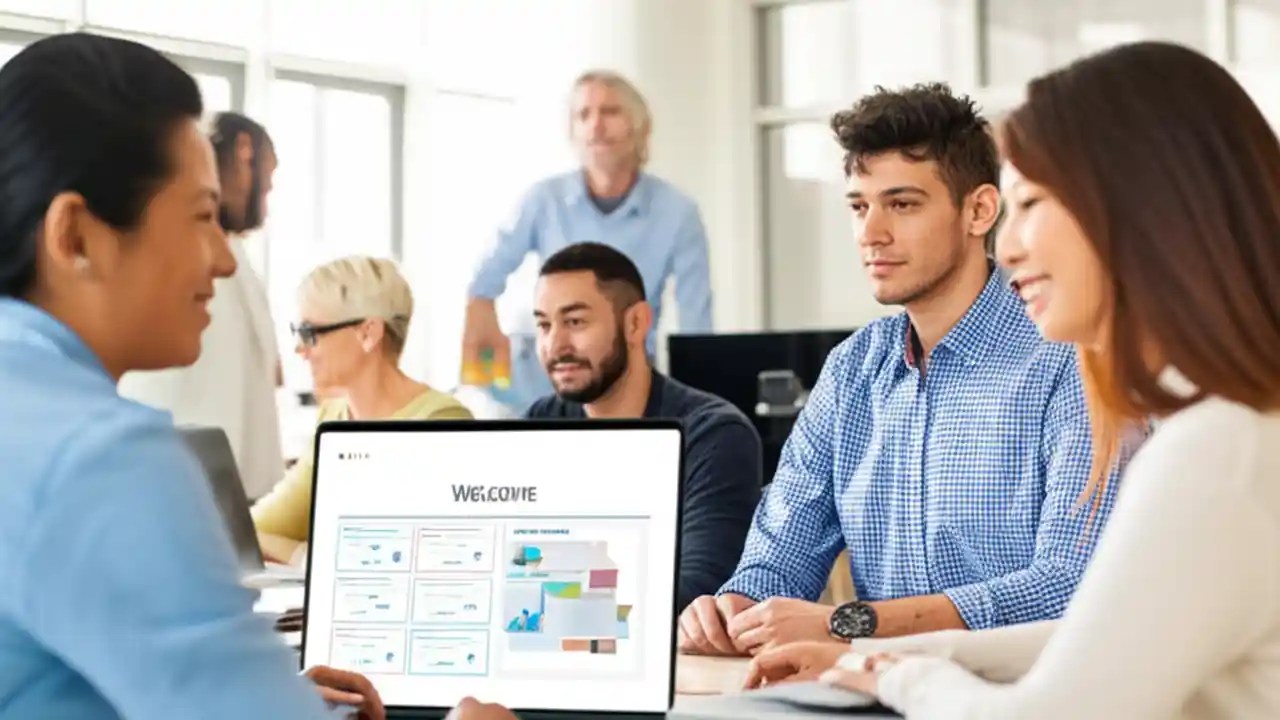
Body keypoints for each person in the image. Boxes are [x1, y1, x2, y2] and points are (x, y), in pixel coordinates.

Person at [746, 42, 1280, 719]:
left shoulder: (1216, 448)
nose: (1014, 244)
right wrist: (885, 657)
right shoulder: (1230, 427)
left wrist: (892, 675)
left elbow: (1055, 711)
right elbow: (1095, 642)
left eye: (1034, 204)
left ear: (1139, 207)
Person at [0, 32, 383, 718]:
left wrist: (252, 680)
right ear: (76, 237)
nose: (224, 259)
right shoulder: (99, 456)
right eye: (202, 217)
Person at [679, 83, 1121, 657]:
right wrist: (731, 610)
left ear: (980, 210)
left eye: (903, 204)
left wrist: (852, 624)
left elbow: (1067, 586)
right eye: (860, 206)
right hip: (876, 695)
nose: (871, 233)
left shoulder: (1068, 357)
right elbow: (778, 560)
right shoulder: (851, 371)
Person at [525, 243, 761, 611]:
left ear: (635, 324)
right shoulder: (541, 423)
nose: (555, 345)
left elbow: (700, 590)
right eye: (543, 325)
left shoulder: (714, 435)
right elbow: (512, 564)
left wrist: (545, 594)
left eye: (575, 322)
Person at [463, 69, 713, 412]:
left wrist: (692, 408)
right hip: (537, 386)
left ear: (639, 127)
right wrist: (481, 310)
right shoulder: (542, 199)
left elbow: (696, 326)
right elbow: (485, 277)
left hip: (623, 381)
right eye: (583, 114)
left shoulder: (677, 212)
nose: (596, 125)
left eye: (610, 112)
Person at [252, 255, 472, 557]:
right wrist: (303, 558)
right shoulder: (335, 416)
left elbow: (388, 556)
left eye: (310, 333)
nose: (299, 349)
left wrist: (308, 559)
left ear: (368, 333)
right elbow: (253, 529)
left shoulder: (442, 421)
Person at [118, 111, 283, 500]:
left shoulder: (235, 257)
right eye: (266, 186)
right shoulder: (176, 257)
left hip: (241, 499)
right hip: (185, 491)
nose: (265, 202)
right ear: (244, 151)